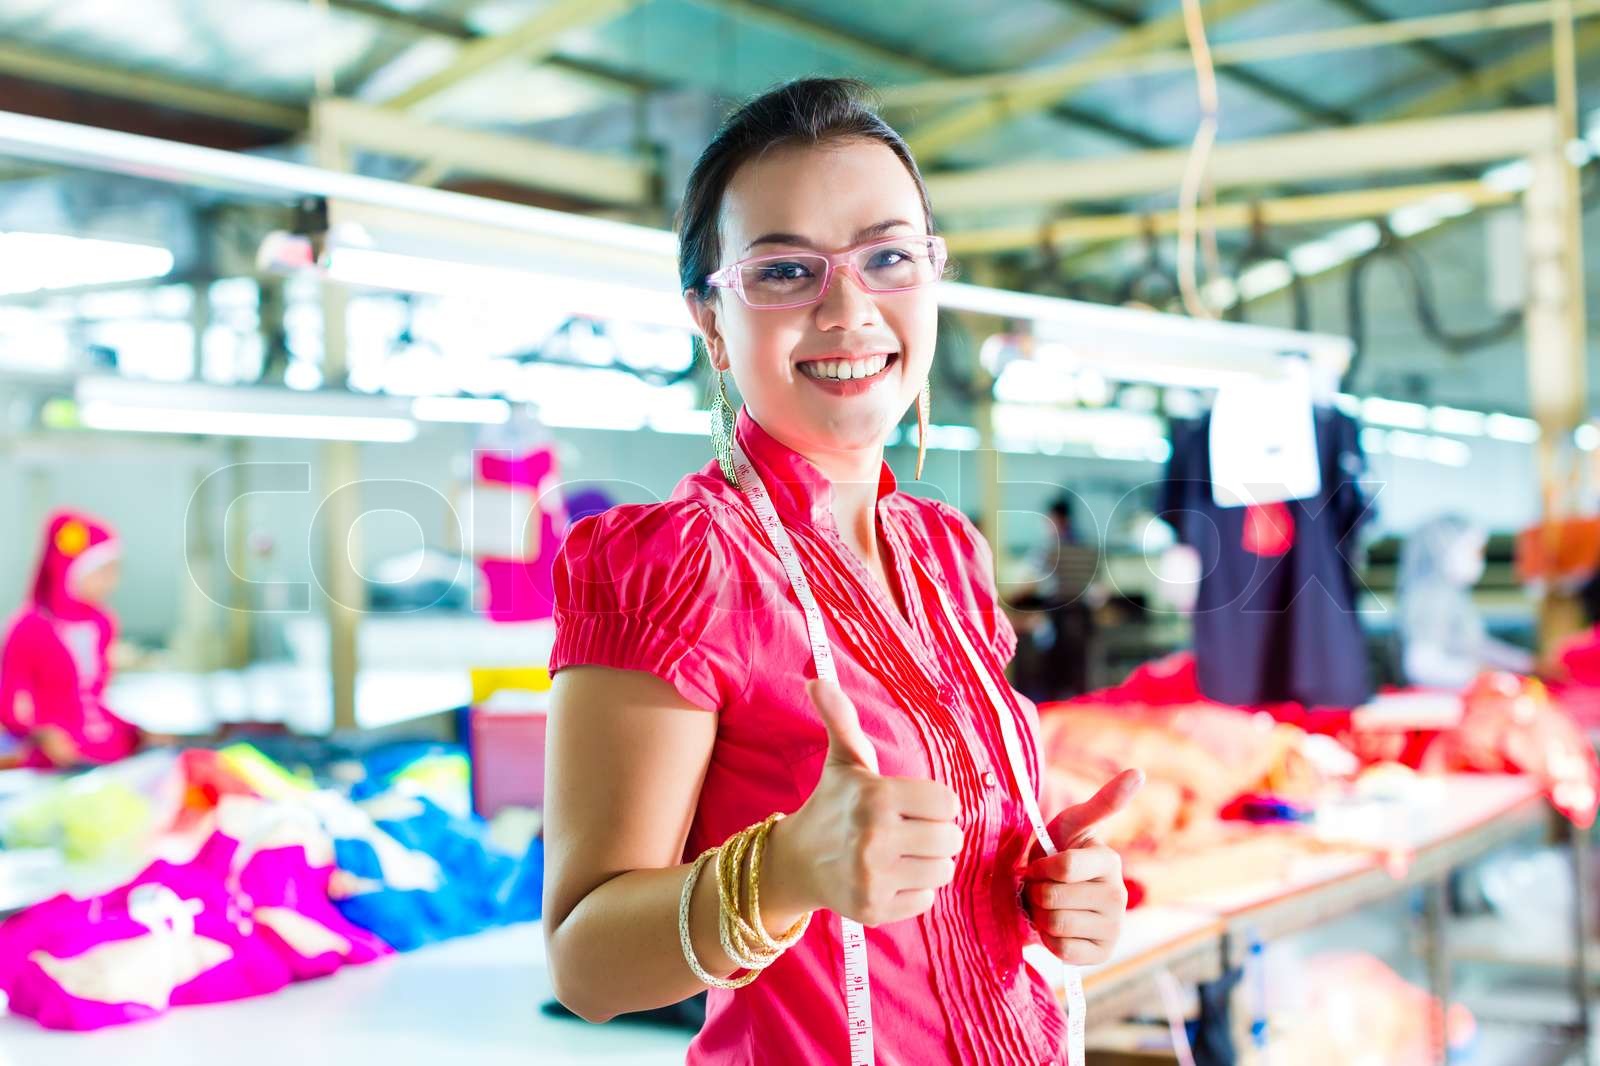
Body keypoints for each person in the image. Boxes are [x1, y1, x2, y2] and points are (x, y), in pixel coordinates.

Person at [543, 79, 1141, 1064]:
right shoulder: (671, 563)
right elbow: (583, 963)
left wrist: (1056, 893)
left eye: (889, 256)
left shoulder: (946, 553)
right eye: (783, 271)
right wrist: (780, 872)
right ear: (709, 321)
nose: (849, 306)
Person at [0, 510, 139, 768]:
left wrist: (137, 732)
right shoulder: (31, 627)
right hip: (55, 762)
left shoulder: (101, 623)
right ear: (71, 570)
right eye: (103, 572)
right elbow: (8, 705)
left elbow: (93, 700)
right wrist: (41, 735)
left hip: (105, 752)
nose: (112, 582)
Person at [1398, 513, 1534, 690]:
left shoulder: (1452, 595)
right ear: (1449, 549)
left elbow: (1474, 646)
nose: (1480, 560)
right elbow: (1421, 666)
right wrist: (1479, 673)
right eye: (1476, 552)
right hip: (1439, 702)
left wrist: (1526, 664)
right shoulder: (1432, 598)